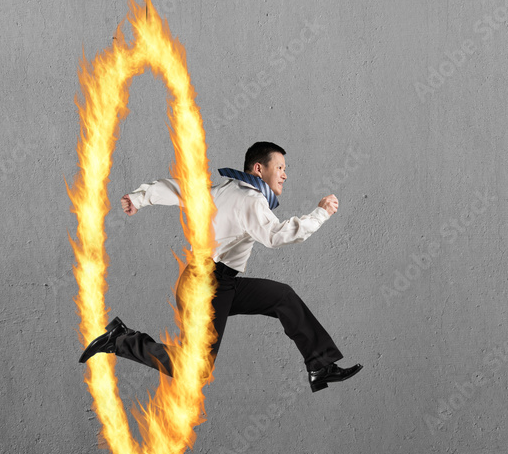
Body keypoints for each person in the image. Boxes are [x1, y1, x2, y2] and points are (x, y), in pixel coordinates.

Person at [78, 141, 362, 392]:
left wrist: (140, 198)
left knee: (282, 297)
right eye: (280, 168)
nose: (285, 175)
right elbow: (275, 236)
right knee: (196, 371)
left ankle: (320, 365)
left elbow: (181, 190)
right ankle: (120, 340)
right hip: (207, 288)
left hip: (215, 282)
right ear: (258, 168)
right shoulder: (250, 200)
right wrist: (320, 213)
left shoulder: (226, 189)